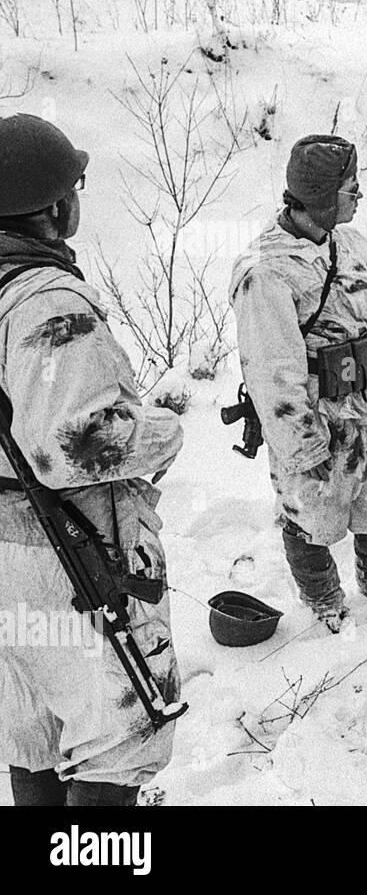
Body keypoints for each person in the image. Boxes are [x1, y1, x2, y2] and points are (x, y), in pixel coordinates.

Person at [0, 114, 183, 805]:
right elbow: (74, 445)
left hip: (7, 552)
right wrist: (162, 433)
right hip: (65, 547)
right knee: (117, 738)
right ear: (50, 207)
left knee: (34, 731)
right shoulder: (46, 299)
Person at [229, 135, 367, 634]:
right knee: (311, 514)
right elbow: (272, 371)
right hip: (316, 419)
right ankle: (324, 606)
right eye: (349, 187)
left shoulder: (355, 245)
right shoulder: (266, 272)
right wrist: (300, 446)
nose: (358, 194)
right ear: (321, 198)